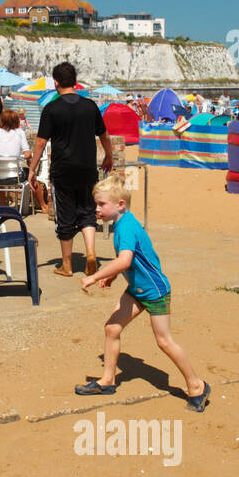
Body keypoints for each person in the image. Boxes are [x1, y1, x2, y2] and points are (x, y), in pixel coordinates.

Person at [75, 173, 211, 411]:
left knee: (164, 341)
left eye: (101, 204)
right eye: (96, 203)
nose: (97, 209)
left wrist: (97, 275)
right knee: (112, 328)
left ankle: (197, 385)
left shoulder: (126, 227)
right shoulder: (122, 223)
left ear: (120, 205)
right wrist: (114, 275)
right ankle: (107, 380)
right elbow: (131, 259)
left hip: (155, 292)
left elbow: (125, 260)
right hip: (137, 289)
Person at [27, 62, 111, 277]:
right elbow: (104, 135)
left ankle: (67, 265)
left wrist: (32, 169)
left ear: (56, 82)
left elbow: (40, 142)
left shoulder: (52, 109)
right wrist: (109, 156)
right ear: (75, 81)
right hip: (87, 168)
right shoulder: (90, 106)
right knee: (87, 212)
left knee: (65, 216)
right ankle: (90, 252)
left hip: (63, 169)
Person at [0, 109, 31, 206]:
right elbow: (27, 154)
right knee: (31, 172)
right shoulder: (20, 132)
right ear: (16, 120)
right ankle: (41, 206)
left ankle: (3, 202)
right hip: (15, 177)